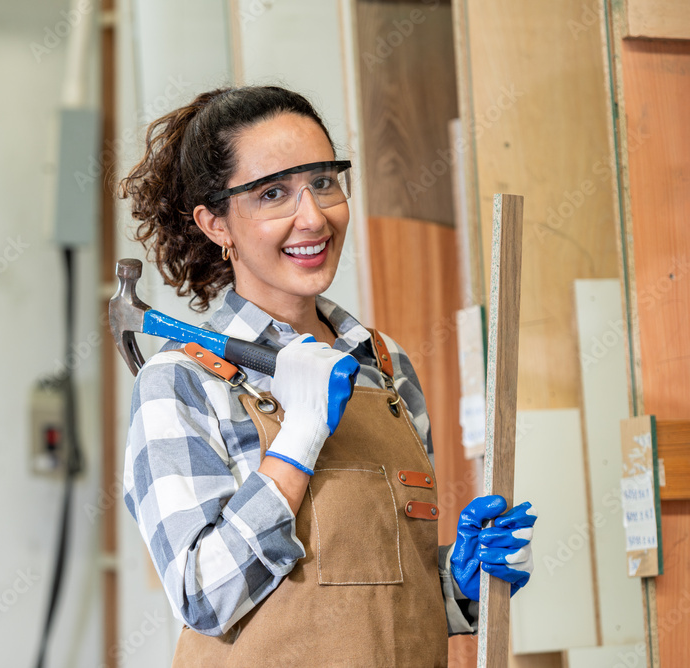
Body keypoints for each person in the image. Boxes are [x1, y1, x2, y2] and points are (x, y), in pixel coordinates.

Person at [119, 85, 537, 667]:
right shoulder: (182, 383)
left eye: (323, 182)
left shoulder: (385, 366)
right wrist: (297, 440)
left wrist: (457, 581)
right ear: (217, 224)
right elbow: (203, 597)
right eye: (273, 194)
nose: (312, 216)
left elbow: (365, 607)